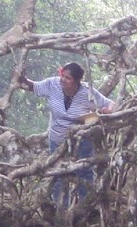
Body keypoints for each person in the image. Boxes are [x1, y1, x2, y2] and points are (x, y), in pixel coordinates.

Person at [16, 62, 113, 203]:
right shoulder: (53, 84)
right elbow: (33, 86)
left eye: (68, 78)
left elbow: (110, 104)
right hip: (56, 140)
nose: (63, 80)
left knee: (84, 172)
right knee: (58, 173)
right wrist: (22, 78)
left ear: (77, 81)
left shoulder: (87, 92)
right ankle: (60, 208)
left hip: (81, 141)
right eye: (63, 76)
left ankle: (85, 206)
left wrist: (107, 111)